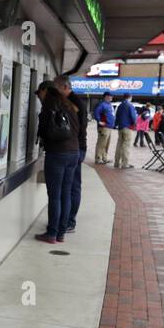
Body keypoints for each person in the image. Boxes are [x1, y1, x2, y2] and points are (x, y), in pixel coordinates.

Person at [36, 79, 81, 244]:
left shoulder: (49, 105)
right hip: (73, 153)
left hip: (57, 154)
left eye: (39, 93)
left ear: (45, 90)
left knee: (54, 195)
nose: (39, 97)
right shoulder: (69, 105)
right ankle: (61, 233)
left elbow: (44, 130)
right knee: (66, 193)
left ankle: (51, 233)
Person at [64, 86, 90, 231]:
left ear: (65, 87)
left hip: (76, 148)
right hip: (78, 148)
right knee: (73, 185)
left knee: (73, 186)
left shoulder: (73, 103)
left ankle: (70, 221)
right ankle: (67, 220)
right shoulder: (75, 102)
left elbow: (76, 128)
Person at [113, 93, 137, 168]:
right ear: (130, 97)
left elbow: (117, 116)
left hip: (120, 127)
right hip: (128, 127)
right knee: (126, 146)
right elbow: (133, 117)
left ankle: (116, 163)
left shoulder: (120, 106)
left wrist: (116, 125)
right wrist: (135, 124)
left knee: (119, 145)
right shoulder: (130, 105)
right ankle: (125, 163)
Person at [94, 92, 115, 165]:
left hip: (109, 127)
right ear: (106, 96)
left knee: (106, 144)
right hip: (104, 127)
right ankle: (98, 158)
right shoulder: (102, 104)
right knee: (101, 143)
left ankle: (104, 157)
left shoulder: (109, 105)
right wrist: (99, 121)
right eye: (110, 96)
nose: (112, 97)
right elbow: (96, 113)